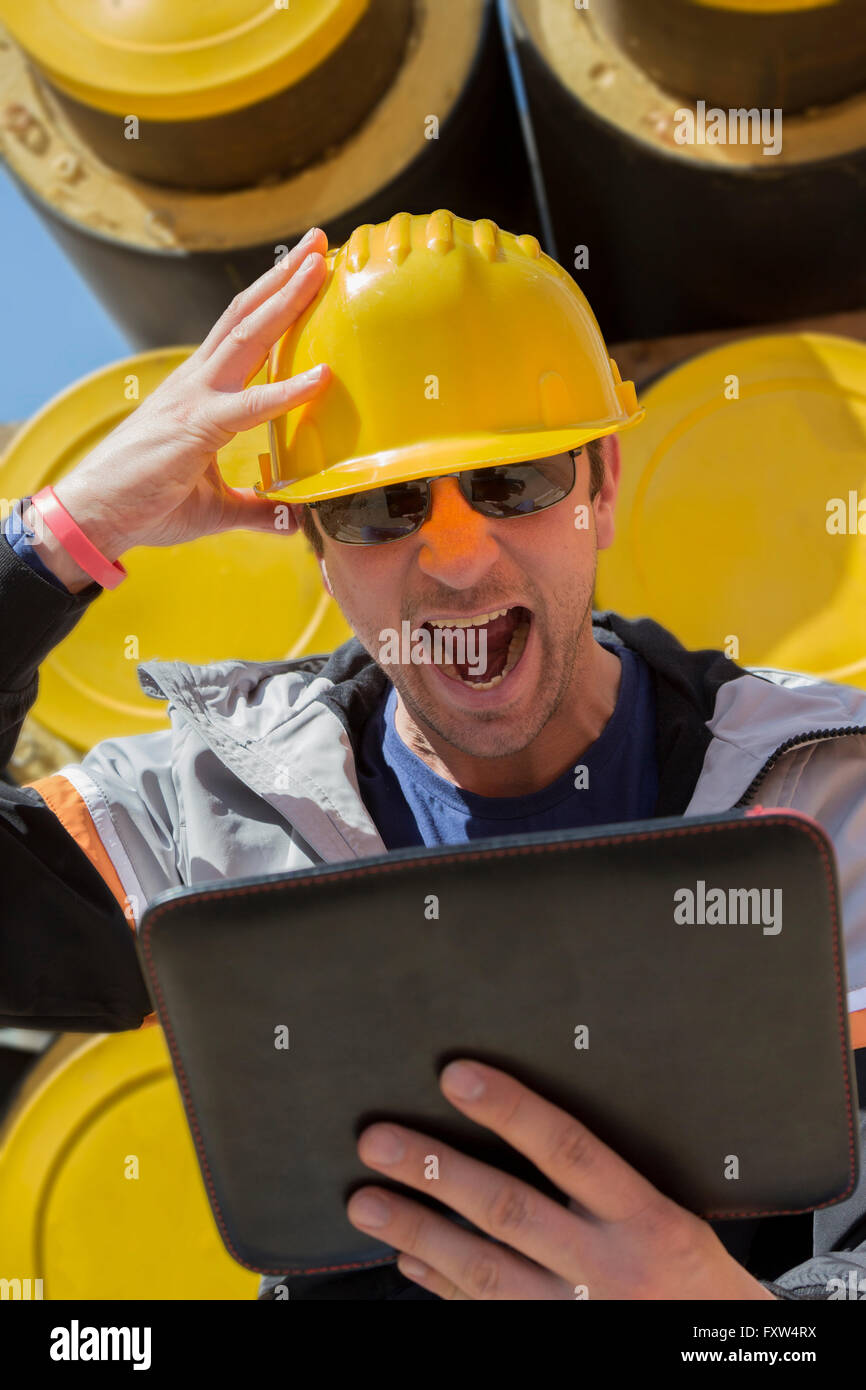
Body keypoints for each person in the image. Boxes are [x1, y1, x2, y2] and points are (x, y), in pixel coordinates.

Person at [1, 214, 864, 1302]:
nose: (455, 556)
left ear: (600, 484)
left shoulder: (831, 797)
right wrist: (59, 538)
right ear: (311, 543)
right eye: (379, 504)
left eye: (510, 481)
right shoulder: (208, 823)